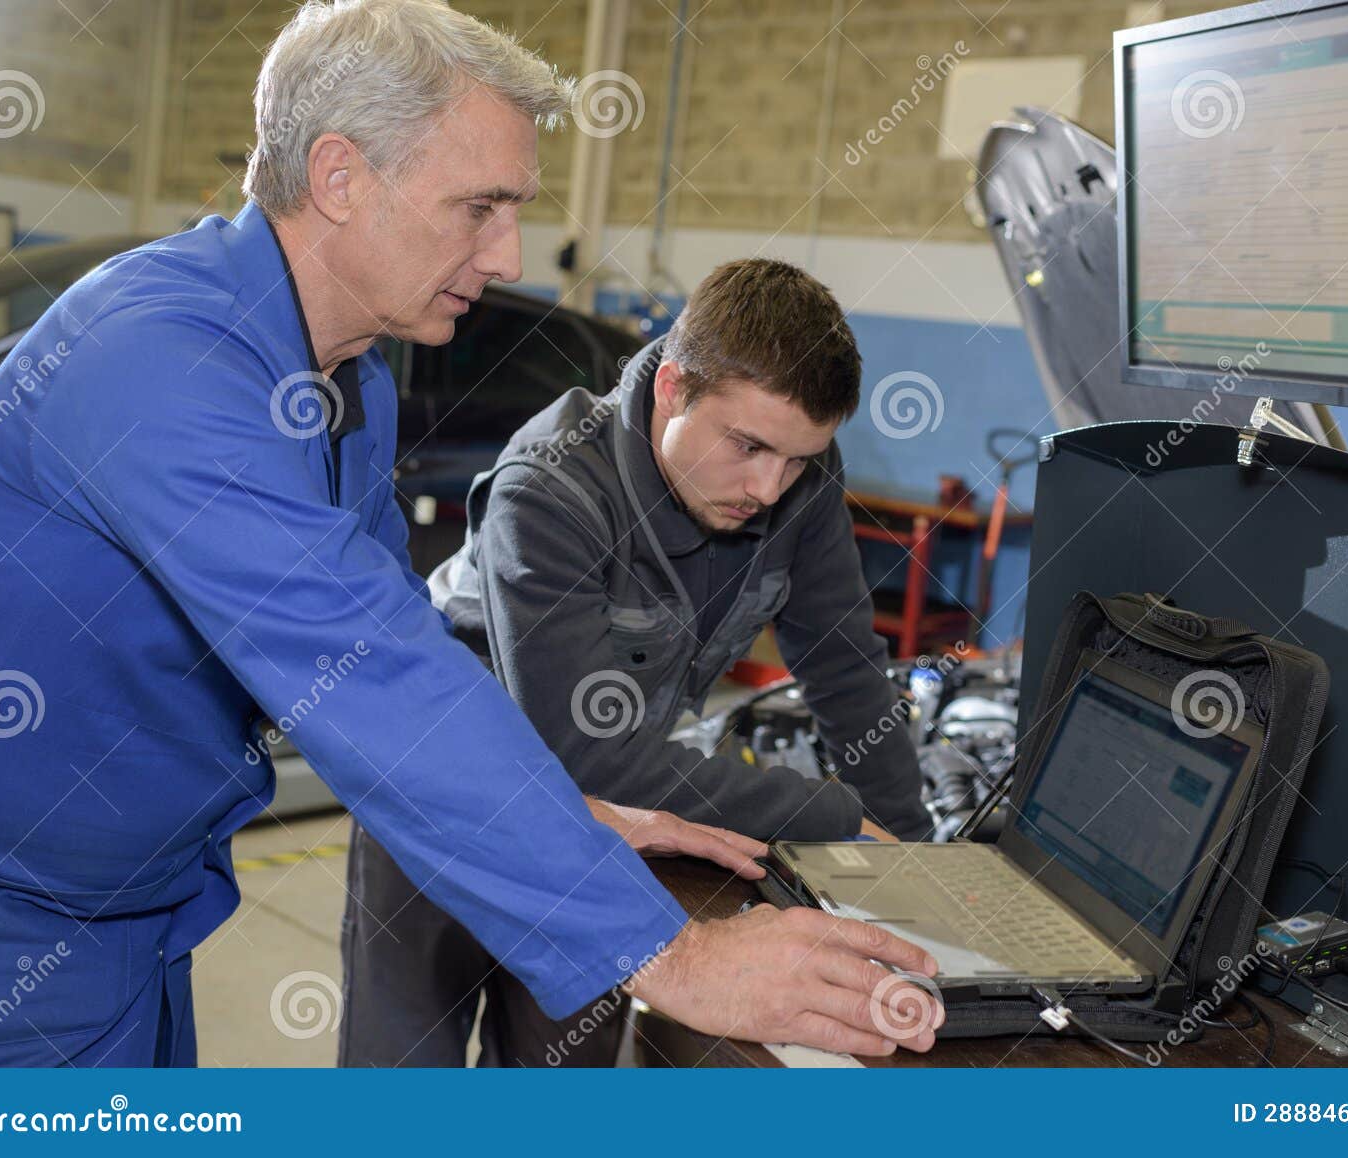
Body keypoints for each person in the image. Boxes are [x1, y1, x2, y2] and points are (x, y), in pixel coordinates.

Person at [0, 0, 942, 1067]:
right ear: (339, 178)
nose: (510, 252)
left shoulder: (347, 385)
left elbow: (411, 650)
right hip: (3, 933)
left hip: (138, 921)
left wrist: (574, 820)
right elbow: (371, 679)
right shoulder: (160, 361)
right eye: (480, 207)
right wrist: (672, 952)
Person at [344, 258, 933, 1065]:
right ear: (671, 389)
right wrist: (834, 818)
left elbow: (843, 667)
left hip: (603, 833)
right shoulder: (549, 489)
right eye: (750, 445)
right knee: (404, 1090)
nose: (769, 486)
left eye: (797, 459)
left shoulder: (800, 481)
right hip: (443, 807)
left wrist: (914, 862)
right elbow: (586, 752)